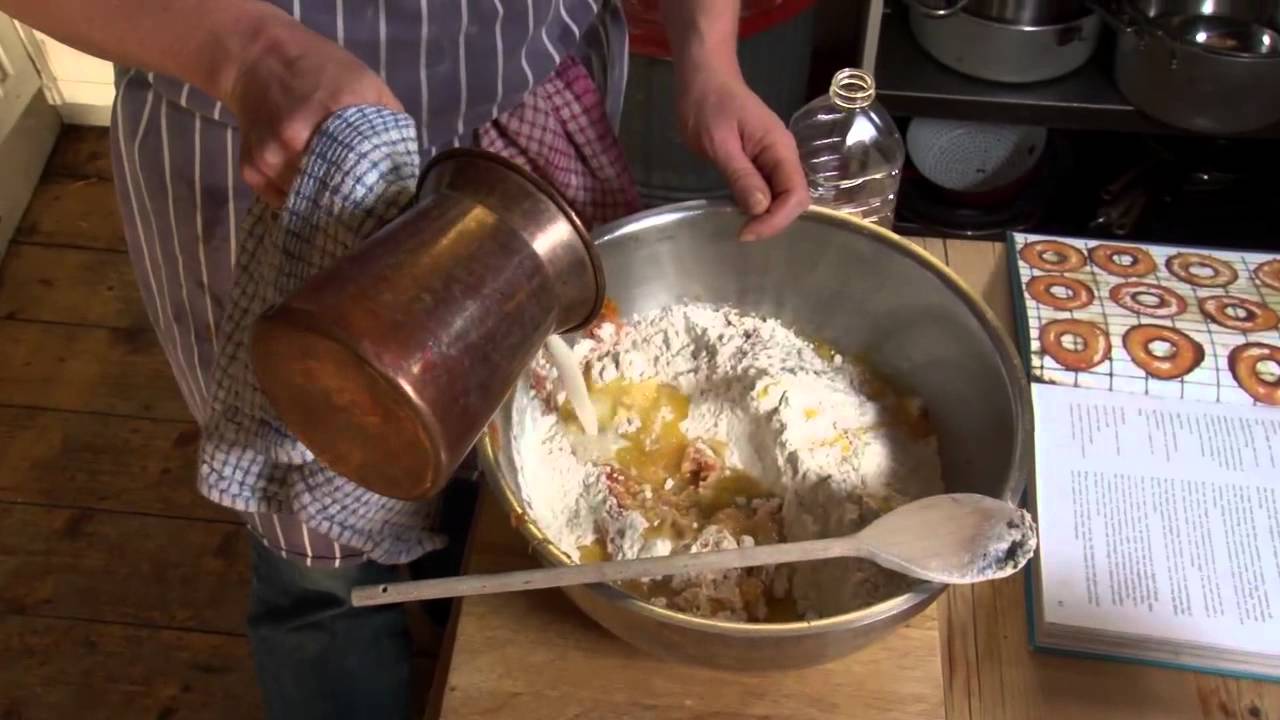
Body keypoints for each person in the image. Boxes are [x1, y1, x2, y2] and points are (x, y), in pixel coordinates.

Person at [1, 0, 807, 716]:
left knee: (509, 485)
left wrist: (708, 54)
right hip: (272, 152)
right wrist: (249, 52)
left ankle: (445, 596)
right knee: (321, 572)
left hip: (521, 115)